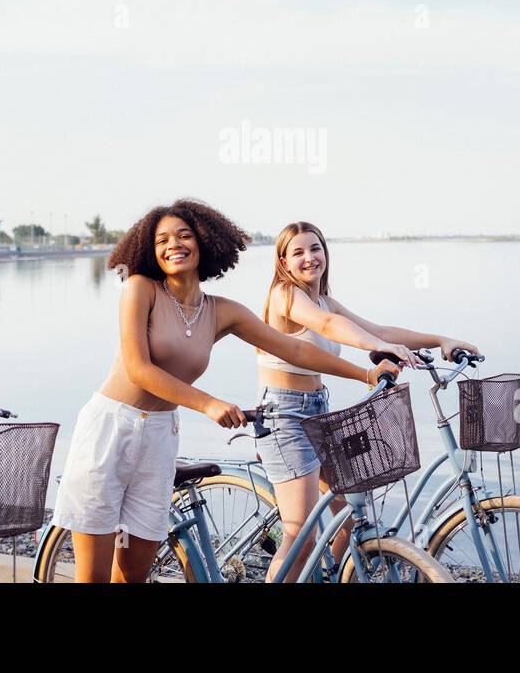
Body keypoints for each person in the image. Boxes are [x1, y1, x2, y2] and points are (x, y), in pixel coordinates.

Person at [52, 198, 401, 583]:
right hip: (110, 429)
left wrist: (365, 375)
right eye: (162, 240)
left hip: (159, 435)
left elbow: (297, 349)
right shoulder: (141, 289)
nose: (174, 245)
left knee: (134, 571)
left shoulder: (221, 310)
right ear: (150, 251)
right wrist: (208, 403)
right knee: (94, 575)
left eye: (184, 236)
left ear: (204, 241)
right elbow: (139, 369)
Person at [256, 220, 480, 582]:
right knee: (300, 534)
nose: (310, 257)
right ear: (283, 262)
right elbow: (328, 325)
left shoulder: (322, 298)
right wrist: (377, 351)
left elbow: (379, 331)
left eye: (316, 248)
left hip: (318, 410)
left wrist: (439, 340)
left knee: (352, 512)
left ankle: (330, 575)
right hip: (284, 416)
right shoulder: (285, 294)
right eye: (297, 252)